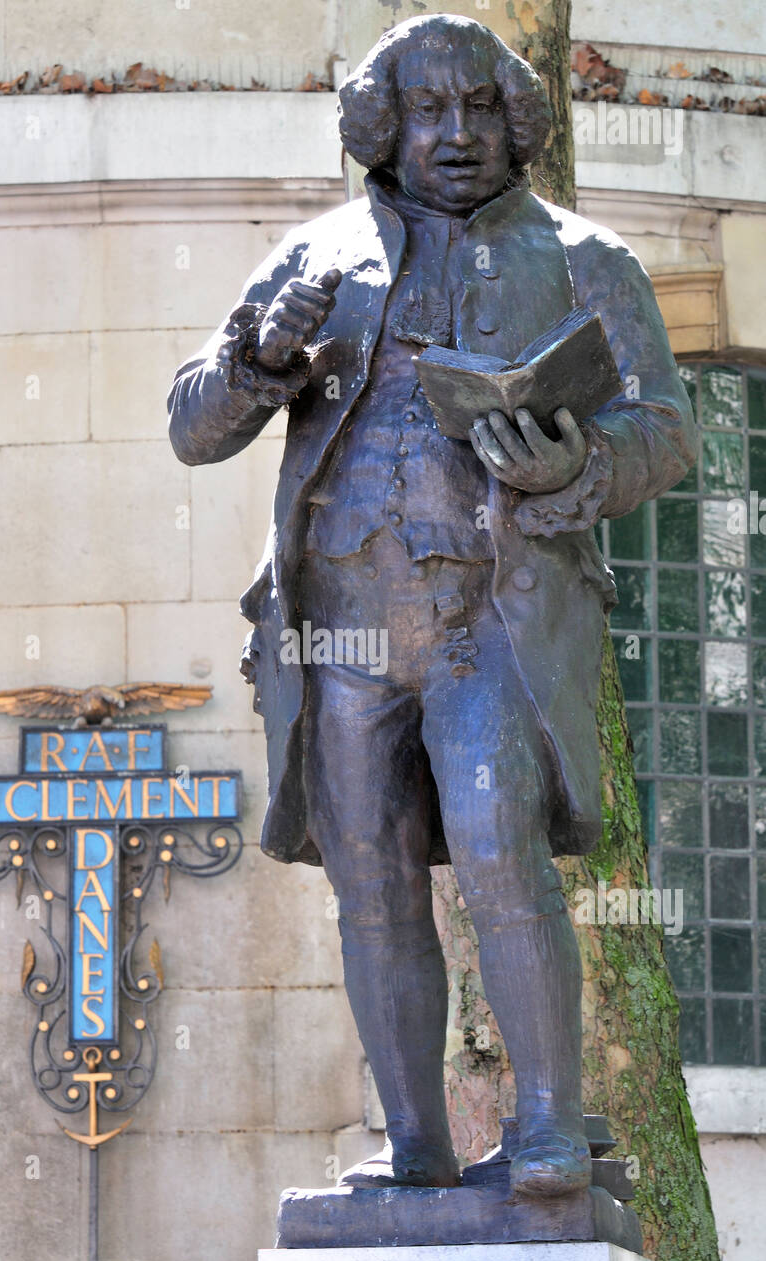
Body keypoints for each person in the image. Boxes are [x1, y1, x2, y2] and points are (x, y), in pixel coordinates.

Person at [168, 15, 695, 1197]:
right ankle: (414, 1147)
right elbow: (191, 425)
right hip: (341, 629)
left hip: (488, 621)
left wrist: (572, 467)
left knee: (498, 840)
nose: (454, 134)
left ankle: (552, 1125)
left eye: (477, 110)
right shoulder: (310, 261)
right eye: (426, 112)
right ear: (383, 126)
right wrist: (258, 358)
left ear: (513, 122)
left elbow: (665, 431)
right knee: (370, 875)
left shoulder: (582, 256)